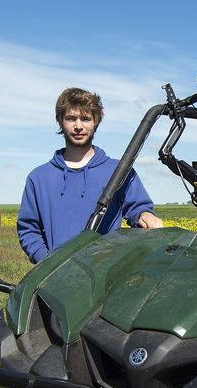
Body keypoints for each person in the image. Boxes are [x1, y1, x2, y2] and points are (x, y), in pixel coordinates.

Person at [17, 87, 162, 263]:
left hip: (104, 275)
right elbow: (28, 228)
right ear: (60, 121)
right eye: (71, 118)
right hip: (54, 278)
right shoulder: (38, 177)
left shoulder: (118, 171)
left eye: (85, 119)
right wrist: (45, 261)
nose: (78, 126)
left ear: (96, 122)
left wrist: (144, 215)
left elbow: (138, 208)